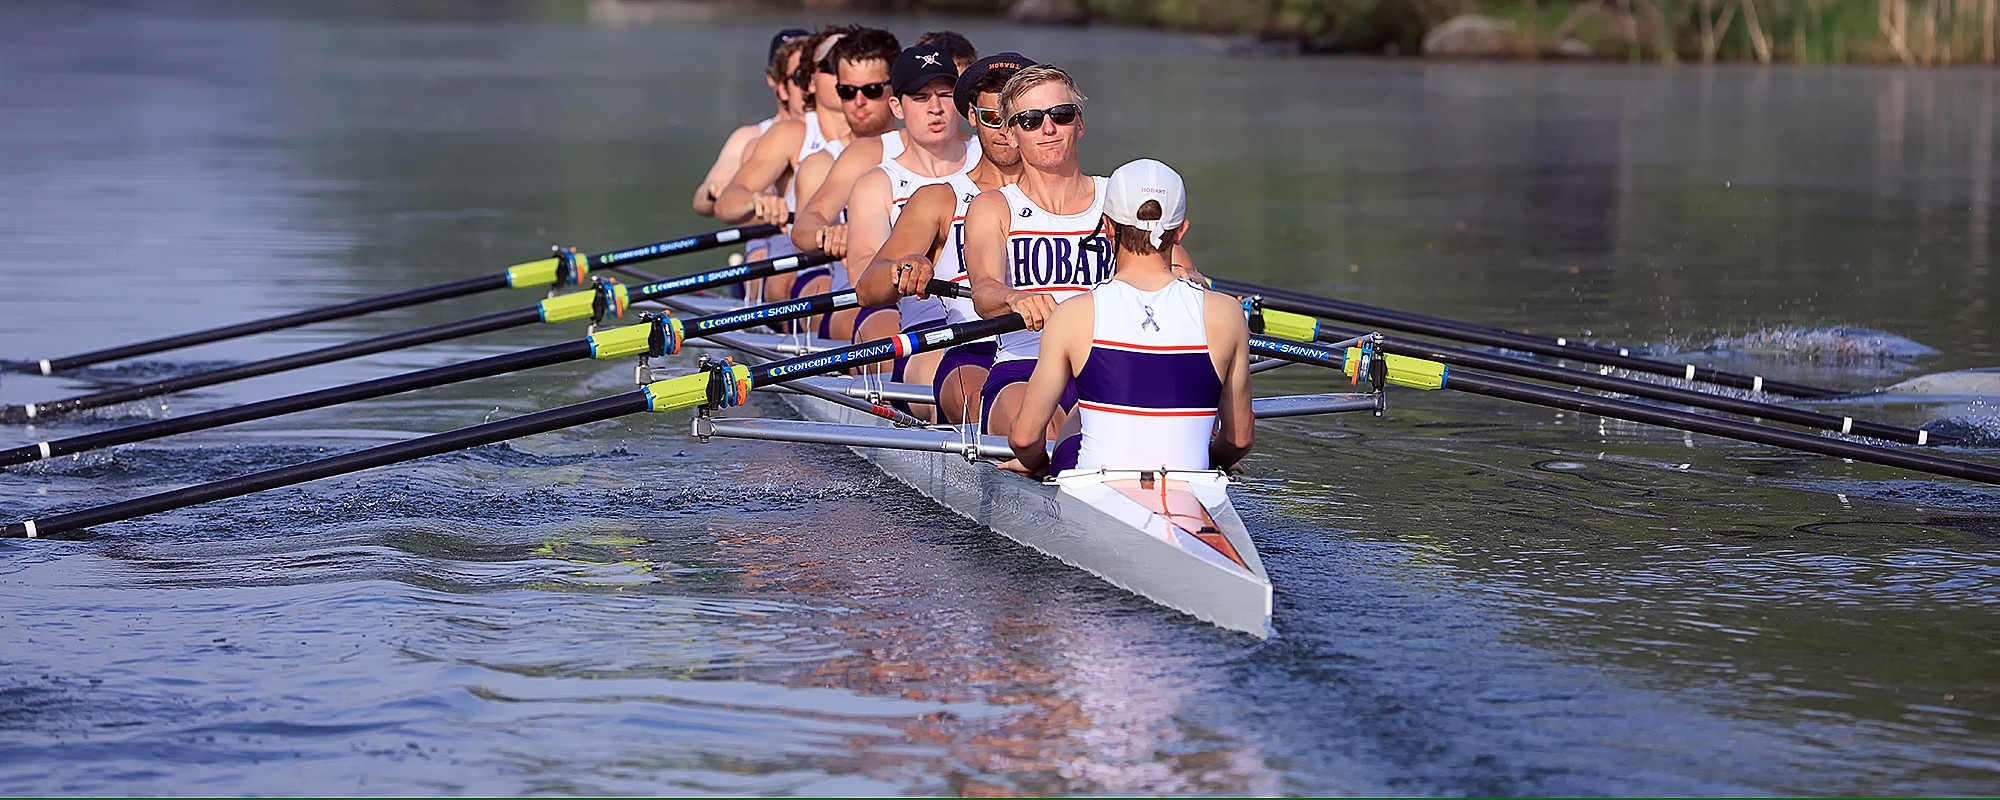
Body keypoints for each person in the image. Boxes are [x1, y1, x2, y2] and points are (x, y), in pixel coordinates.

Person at [965, 65, 1195, 441]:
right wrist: (1014, 298)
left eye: (1061, 115)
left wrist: (1190, 281)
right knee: (1050, 433)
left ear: (1080, 124)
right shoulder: (994, 208)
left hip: (1114, 362)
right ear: (1010, 134)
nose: (1048, 128)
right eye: (1030, 120)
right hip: (1026, 365)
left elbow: (1184, 272)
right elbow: (984, 290)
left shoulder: (1119, 196)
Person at [1001, 159, 1252, 479]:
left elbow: (1024, 438)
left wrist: (1038, 466)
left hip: (1094, 489)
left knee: (1080, 415)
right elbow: (1240, 438)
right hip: (1191, 489)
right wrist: (1212, 462)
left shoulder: (1074, 315)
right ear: (1181, 232)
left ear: (1107, 227)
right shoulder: (1226, 313)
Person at [858, 52, 1033, 424]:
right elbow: (867, 288)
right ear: (973, 118)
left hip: (1048, 350)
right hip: (957, 347)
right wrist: (904, 269)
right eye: (992, 118)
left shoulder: (1082, 198)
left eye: (1019, 120)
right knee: (981, 395)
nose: (1006, 131)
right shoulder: (939, 198)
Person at [831, 43, 976, 401]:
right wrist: (905, 268)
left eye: (945, 94)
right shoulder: (877, 183)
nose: (936, 107)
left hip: (1005, 325)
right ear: (896, 107)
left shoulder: (994, 161)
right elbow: (862, 276)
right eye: (920, 97)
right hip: (924, 330)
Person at [712, 25, 860, 304]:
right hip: (803, 263)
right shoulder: (789, 134)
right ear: (812, 80)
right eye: (832, 66)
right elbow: (725, 204)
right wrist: (755, 201)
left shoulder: (884, 139)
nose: (845, 74)